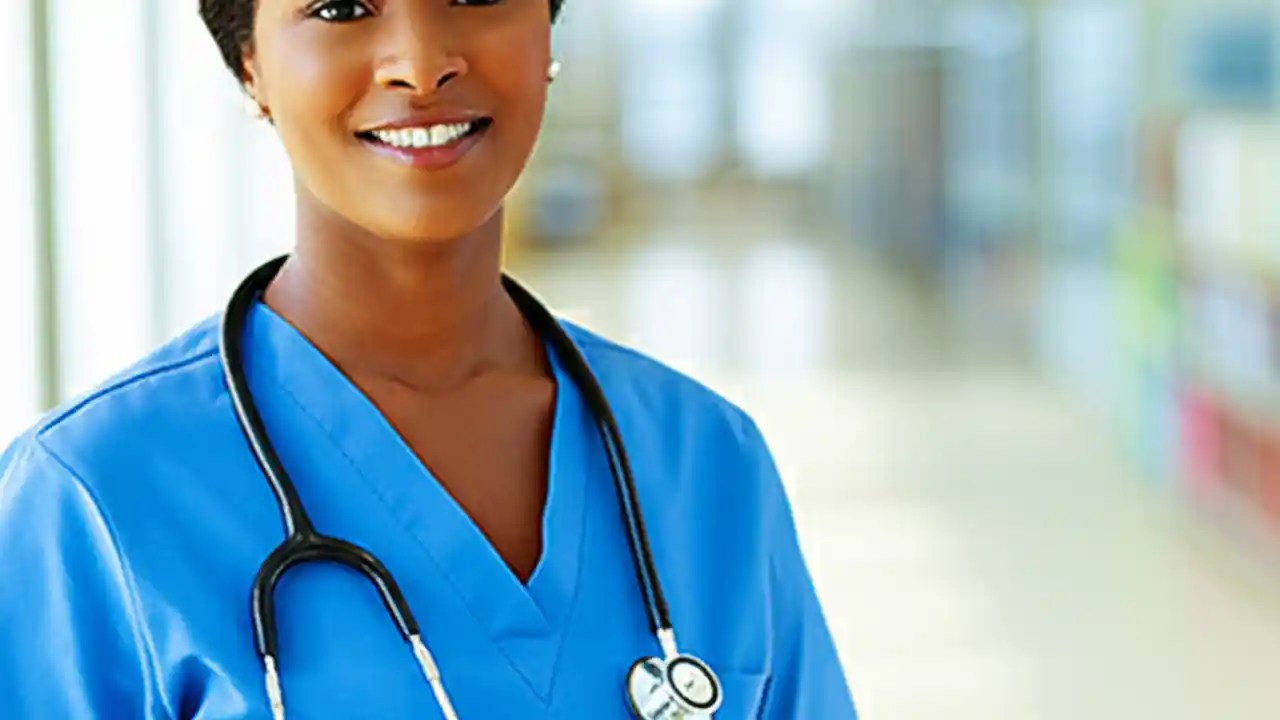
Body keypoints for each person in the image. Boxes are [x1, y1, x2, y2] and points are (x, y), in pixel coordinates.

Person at [0, 0, 857, 716]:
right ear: (249, 62)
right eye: (340, 7)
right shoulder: (89, 497)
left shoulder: (706, 461)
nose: (419, 61)